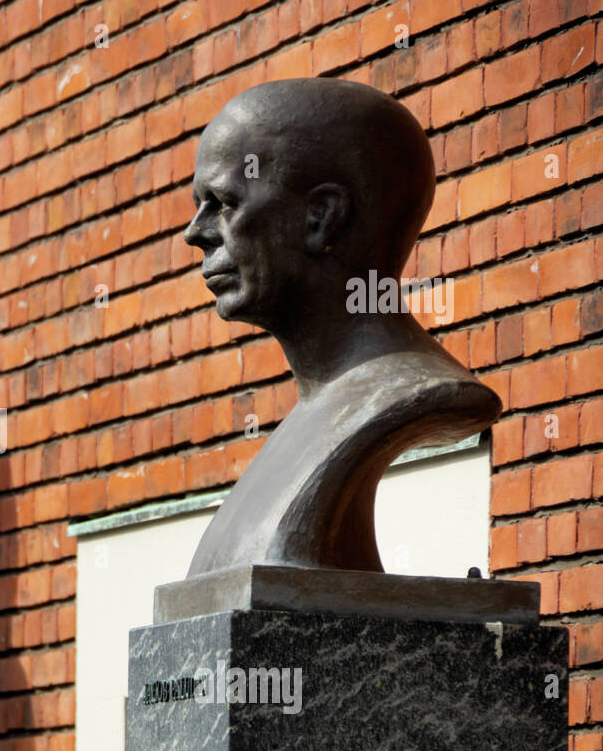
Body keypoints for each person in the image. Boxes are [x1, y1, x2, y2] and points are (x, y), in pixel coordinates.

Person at [181, 79, 500, 575]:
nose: (195, 233)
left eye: (223, 203)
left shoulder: (408, 394)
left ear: (321, 218)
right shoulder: (311, 420)